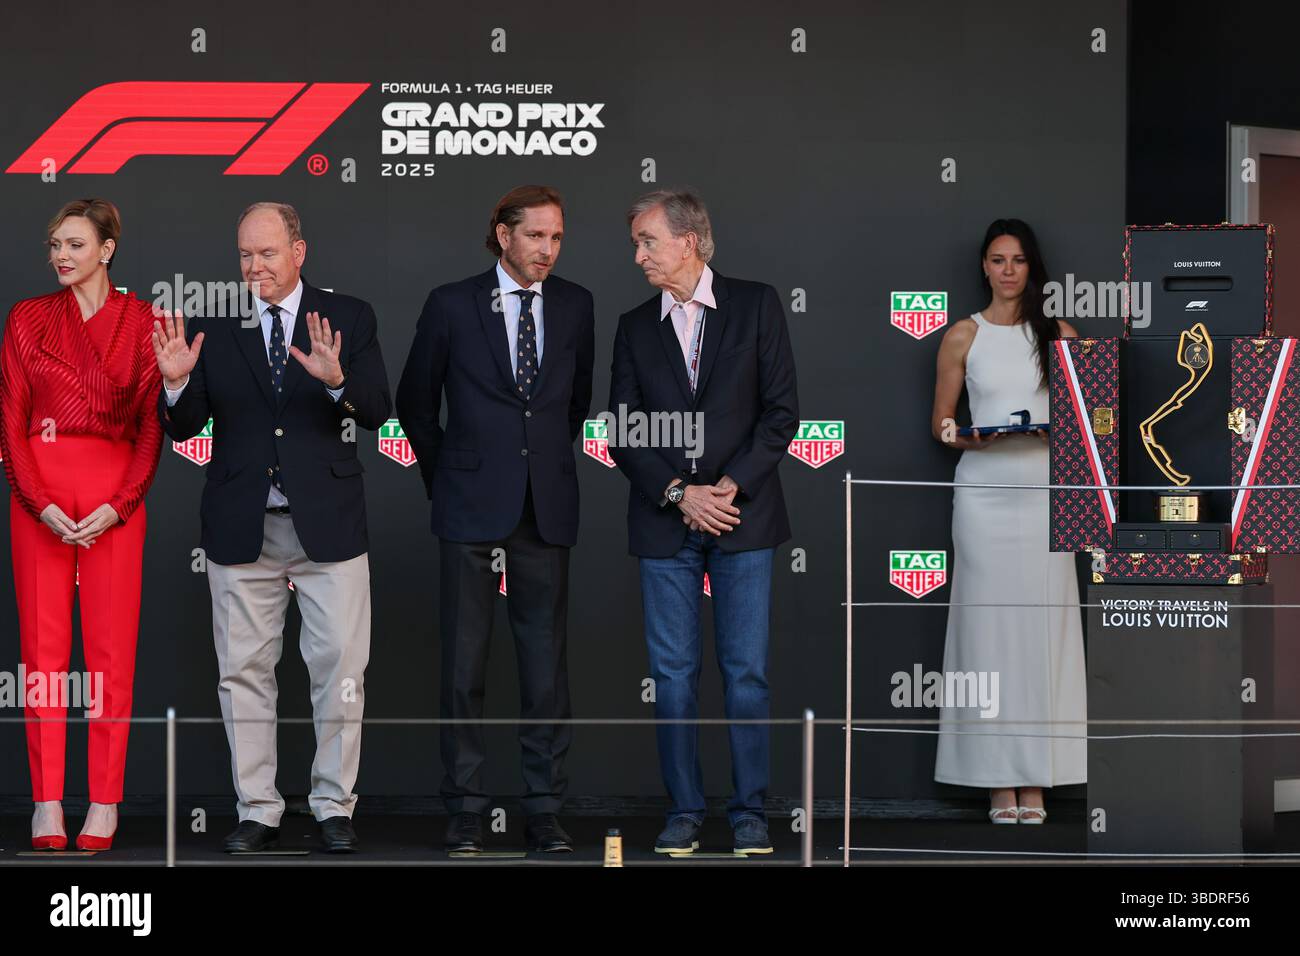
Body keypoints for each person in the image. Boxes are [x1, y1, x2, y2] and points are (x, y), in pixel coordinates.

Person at [153, 202, 391, 853]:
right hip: (242, 529)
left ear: (299, 251)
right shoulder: (213, 327)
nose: (254, 267)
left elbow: (376, 409)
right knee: (243, 671)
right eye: (244, 255)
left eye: (267, 253)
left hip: (330, 527)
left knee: (340, 669)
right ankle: (258, 807)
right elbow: (182, 427)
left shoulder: (349, 317)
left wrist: (339, 379)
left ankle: (333, 806)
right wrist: (174, 386)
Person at [396, 185, 594, 854]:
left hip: (547, 507)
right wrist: (448, 480)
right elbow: (415, 405)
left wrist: (536, 468)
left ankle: (544, 808)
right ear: (503, 234)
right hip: (467, 507)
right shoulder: (451, 303)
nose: (548, 249)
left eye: (557, 237)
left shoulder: (576, 305)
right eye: (536, 235)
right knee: (463, 666)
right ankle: (466, 810)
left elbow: (573, 408)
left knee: (546, 670)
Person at [608, 189, 799, 855]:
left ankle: (751, 814)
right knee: (673, 673)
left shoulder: (756, 303)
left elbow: (781, 413)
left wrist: (729, 486)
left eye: (647, 242)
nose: (638, 256)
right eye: (637, 243)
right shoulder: (635, 325)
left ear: (689, 241)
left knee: (745, 671)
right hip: (666, 521)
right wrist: (677, 491)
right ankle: (684, 811)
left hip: (743, 517)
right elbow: (624, 430)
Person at [0, 199, 163, 851]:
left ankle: (102, 801)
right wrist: (36, 500)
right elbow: (10, 419)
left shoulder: (145, 320)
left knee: (109, 655)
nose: (60, 255)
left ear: (107, 248)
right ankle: (46, 802)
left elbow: (152, 426)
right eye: (53, 245)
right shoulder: (28, 319)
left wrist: (120, 504)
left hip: (113, 497)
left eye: (73, 243)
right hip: (37, 494)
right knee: (40, 656)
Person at [930, 218, 1087, 823]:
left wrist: (1054, 430)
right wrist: (973, 436)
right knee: (988, 636)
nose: (1008, 270)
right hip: (983, 497)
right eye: (997, 259)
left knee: (1043, 635)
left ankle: (1038, 780)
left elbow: (1090, 426)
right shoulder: (960, 336)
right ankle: (997, 782)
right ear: (985, 267)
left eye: (1018, 259)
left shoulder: (1061, 334)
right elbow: (941, 424)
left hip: (1048, 498)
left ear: (1031, 266)